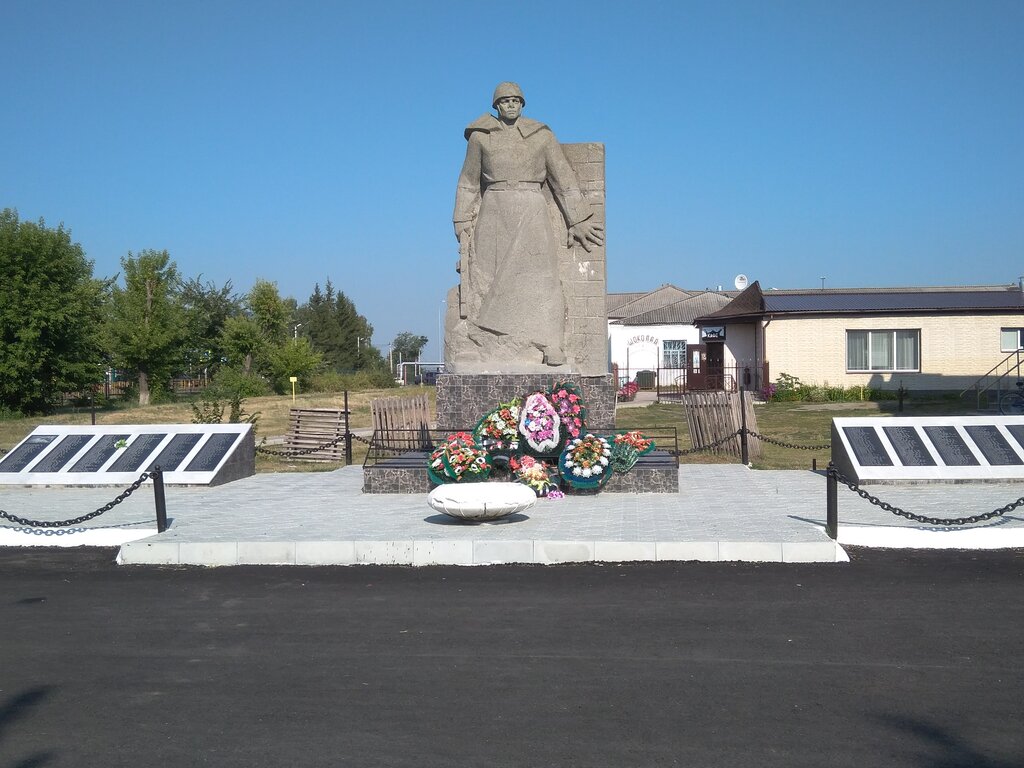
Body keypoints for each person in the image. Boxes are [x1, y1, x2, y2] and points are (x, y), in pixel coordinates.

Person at [449, 82, 604, 369]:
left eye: (516, 101)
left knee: (542, 277)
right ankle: (484, 342)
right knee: (486, 276)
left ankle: (551, 342)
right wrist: (460, 218)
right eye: (505, 101)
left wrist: (578, 219)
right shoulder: (480, 137)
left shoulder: (541, 136)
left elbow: (563, 178)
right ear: (496, 105)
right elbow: (469, 181)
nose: (511, 105)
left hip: (532, 207)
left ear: (522, 104)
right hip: (494, 210)